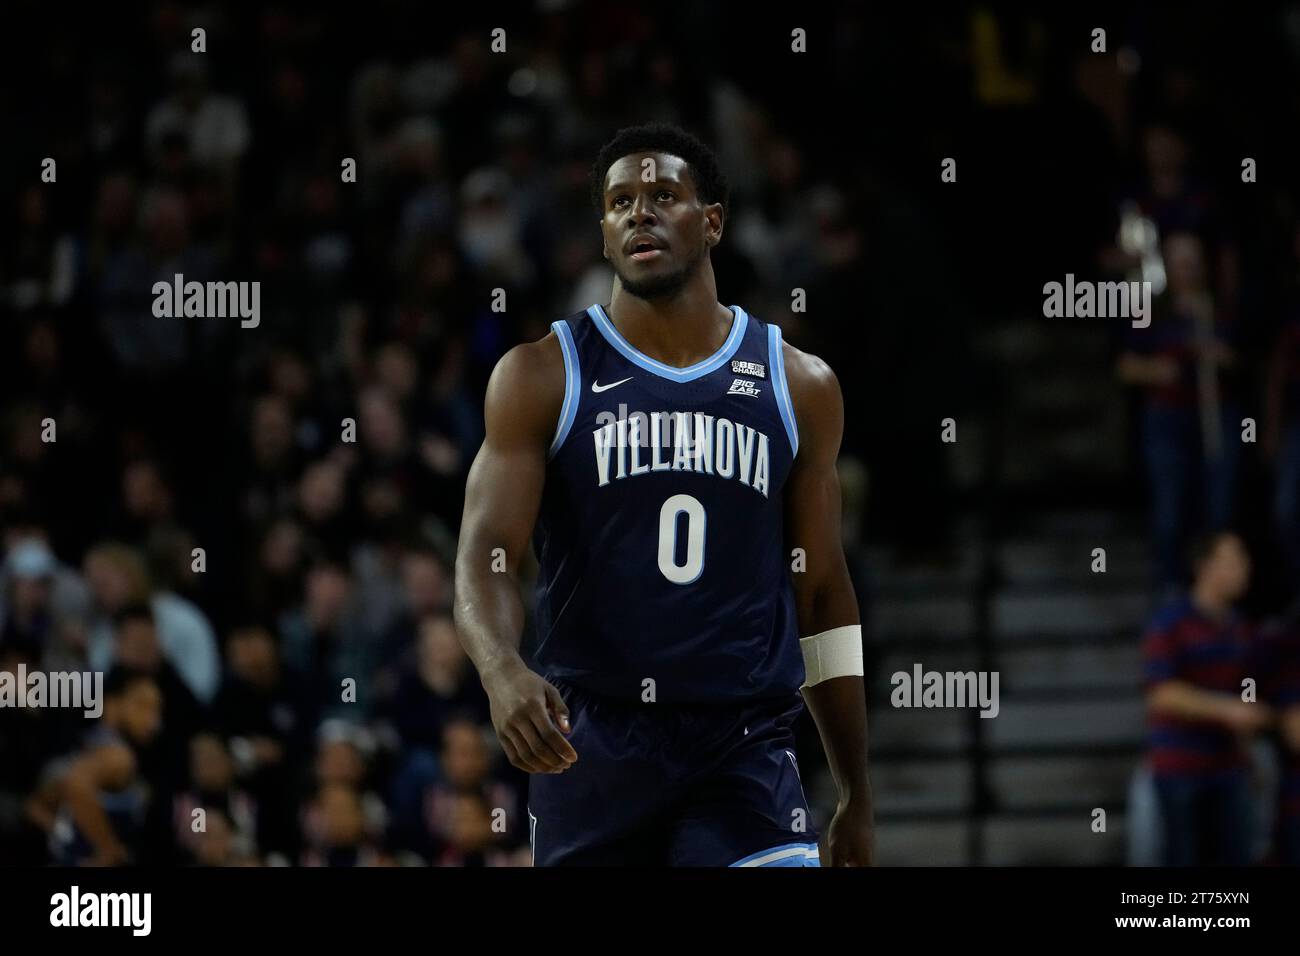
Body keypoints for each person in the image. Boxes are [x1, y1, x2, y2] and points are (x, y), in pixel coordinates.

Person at [453, 123, 872, 867]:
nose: (638, 213)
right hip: (594, 747)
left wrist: (855, 792)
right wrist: (501, 668)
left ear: (712, 222)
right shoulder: (541, 376)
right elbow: (486, 557)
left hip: (741, 746)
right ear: (604, 236)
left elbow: (822, 598)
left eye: (663, 196)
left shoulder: (798, 384)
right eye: (619, 203)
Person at [1142, 531, 1272, 865]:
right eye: (1231, 560)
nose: (1244, 568)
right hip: (1181, 768)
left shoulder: (1241, 629)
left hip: (1228, 768)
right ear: (1205, 567)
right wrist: (1226, 710)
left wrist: (1247, 748)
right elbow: (1162, 693)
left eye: (1243, 560)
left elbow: (1245, 691)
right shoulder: (1170, 623)